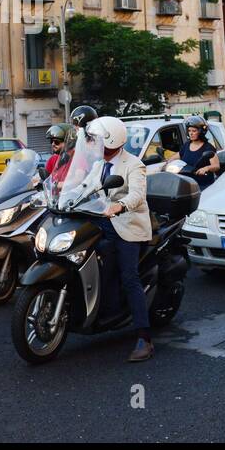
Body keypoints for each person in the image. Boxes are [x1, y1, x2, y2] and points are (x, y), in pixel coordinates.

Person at [81, 116, 154, 363]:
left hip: (127, 225)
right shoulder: (98, 164)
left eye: (99, 139)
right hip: (102, 221)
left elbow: (136, 195)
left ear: (111, 141)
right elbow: (84, 186)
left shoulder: (134, 165)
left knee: (129, 277)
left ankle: (144, 338)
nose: (95, 143)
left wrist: (119, 206)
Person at [178, 117, 220, 190]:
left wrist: (206, 168)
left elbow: (216, 166)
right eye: (189, 130)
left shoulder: (208, 147)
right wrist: (167, 163)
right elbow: (178, 155)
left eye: (194, 131)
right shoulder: (186, 145)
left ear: (201, 132)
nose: (190, 133)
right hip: (187, 184)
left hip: (203, 185)